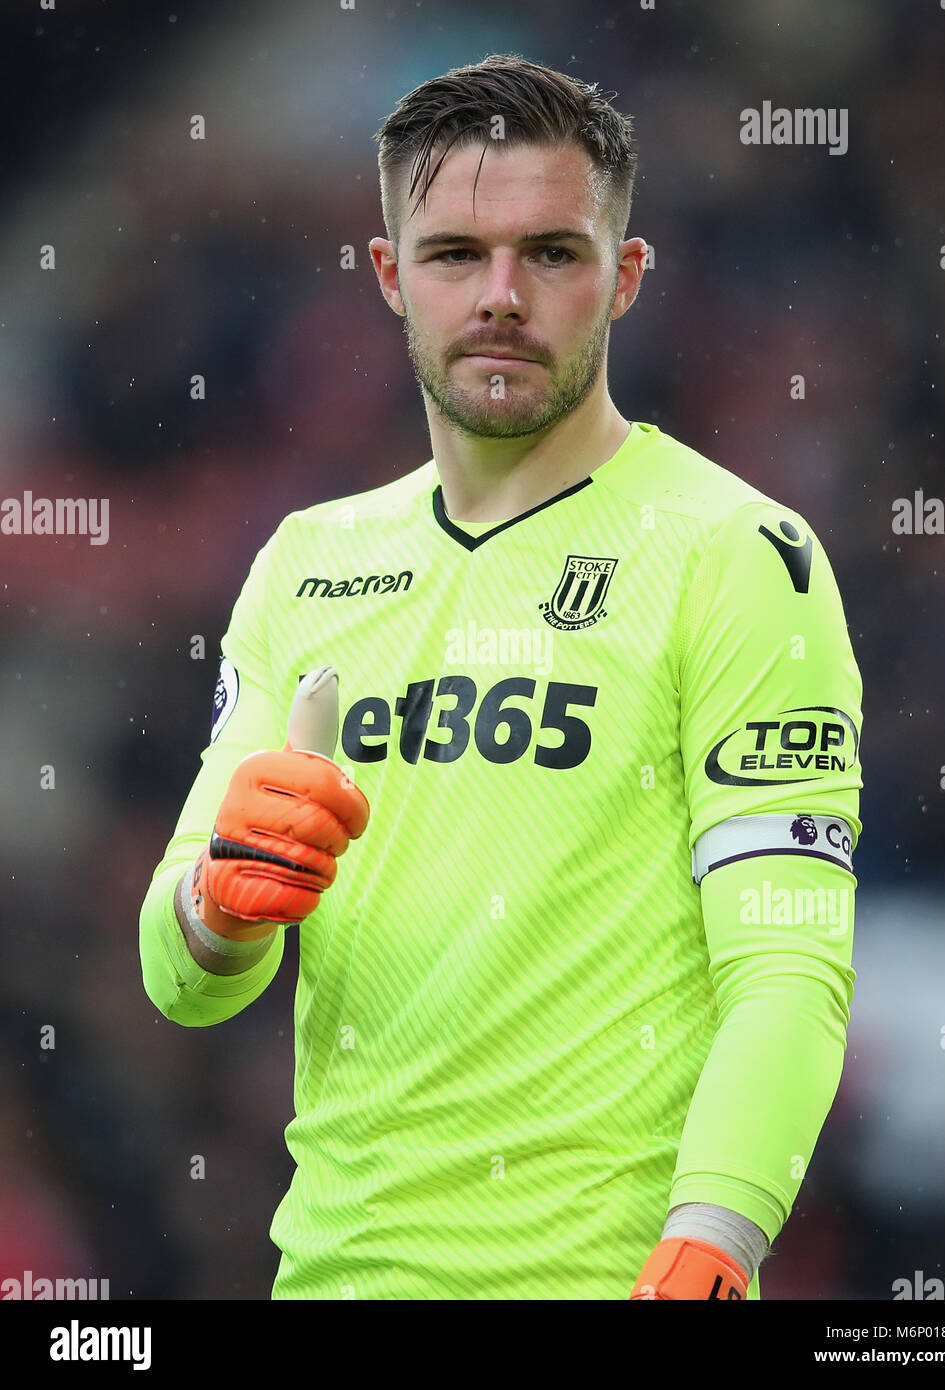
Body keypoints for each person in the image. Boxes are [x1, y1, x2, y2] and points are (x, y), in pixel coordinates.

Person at [139, 53, 863, 1300]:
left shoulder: (741, 556)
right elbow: (182, 984)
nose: (503, 297)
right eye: (456, 254)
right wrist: (222, 899)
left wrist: (720, 1236)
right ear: (389, 277)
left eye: (554, 253)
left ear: (625, 278)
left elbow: (791, 965)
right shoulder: (308, 564)